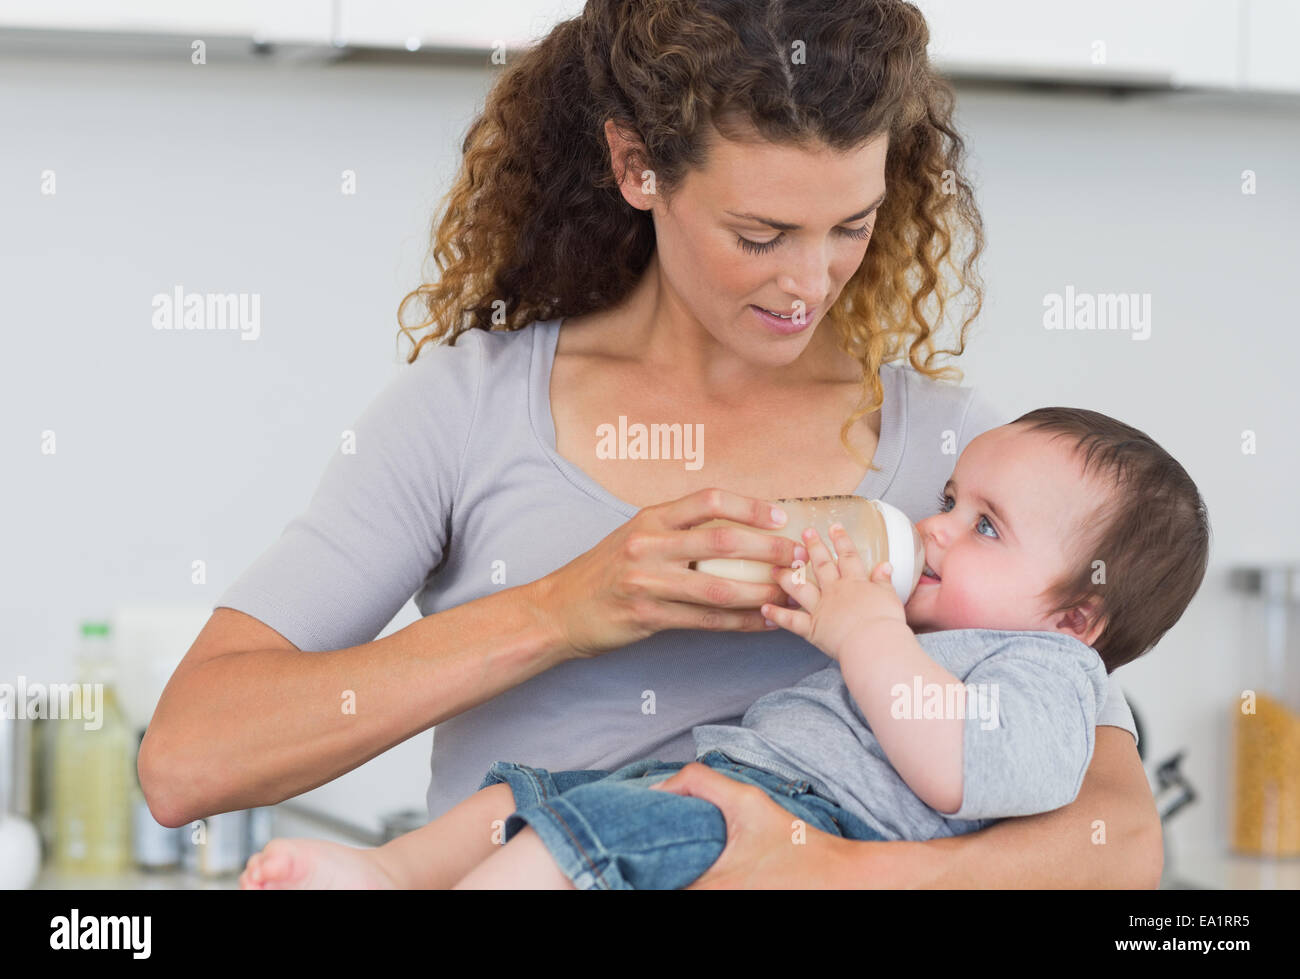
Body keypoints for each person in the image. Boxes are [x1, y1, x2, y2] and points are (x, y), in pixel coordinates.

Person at [140, 0, 1165, 887]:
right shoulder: (469, 411)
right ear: (637, 166)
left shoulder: (962, 467)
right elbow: (187, 759)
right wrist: (560, 609)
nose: (809, 283)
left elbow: (1115, 838)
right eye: (760, 235)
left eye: (849, 225)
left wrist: (828, 870)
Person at [236, 408, 1211, 889]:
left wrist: (863, 627)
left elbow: (956, 767)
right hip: (712, 776)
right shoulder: (930, 626)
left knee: (583, 840)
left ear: (1079, 618)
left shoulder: (1049, 673)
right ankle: (397, 871)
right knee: (526, 798)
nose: (938, 526)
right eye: (949, 498)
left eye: (985, 527)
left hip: (801, 823)